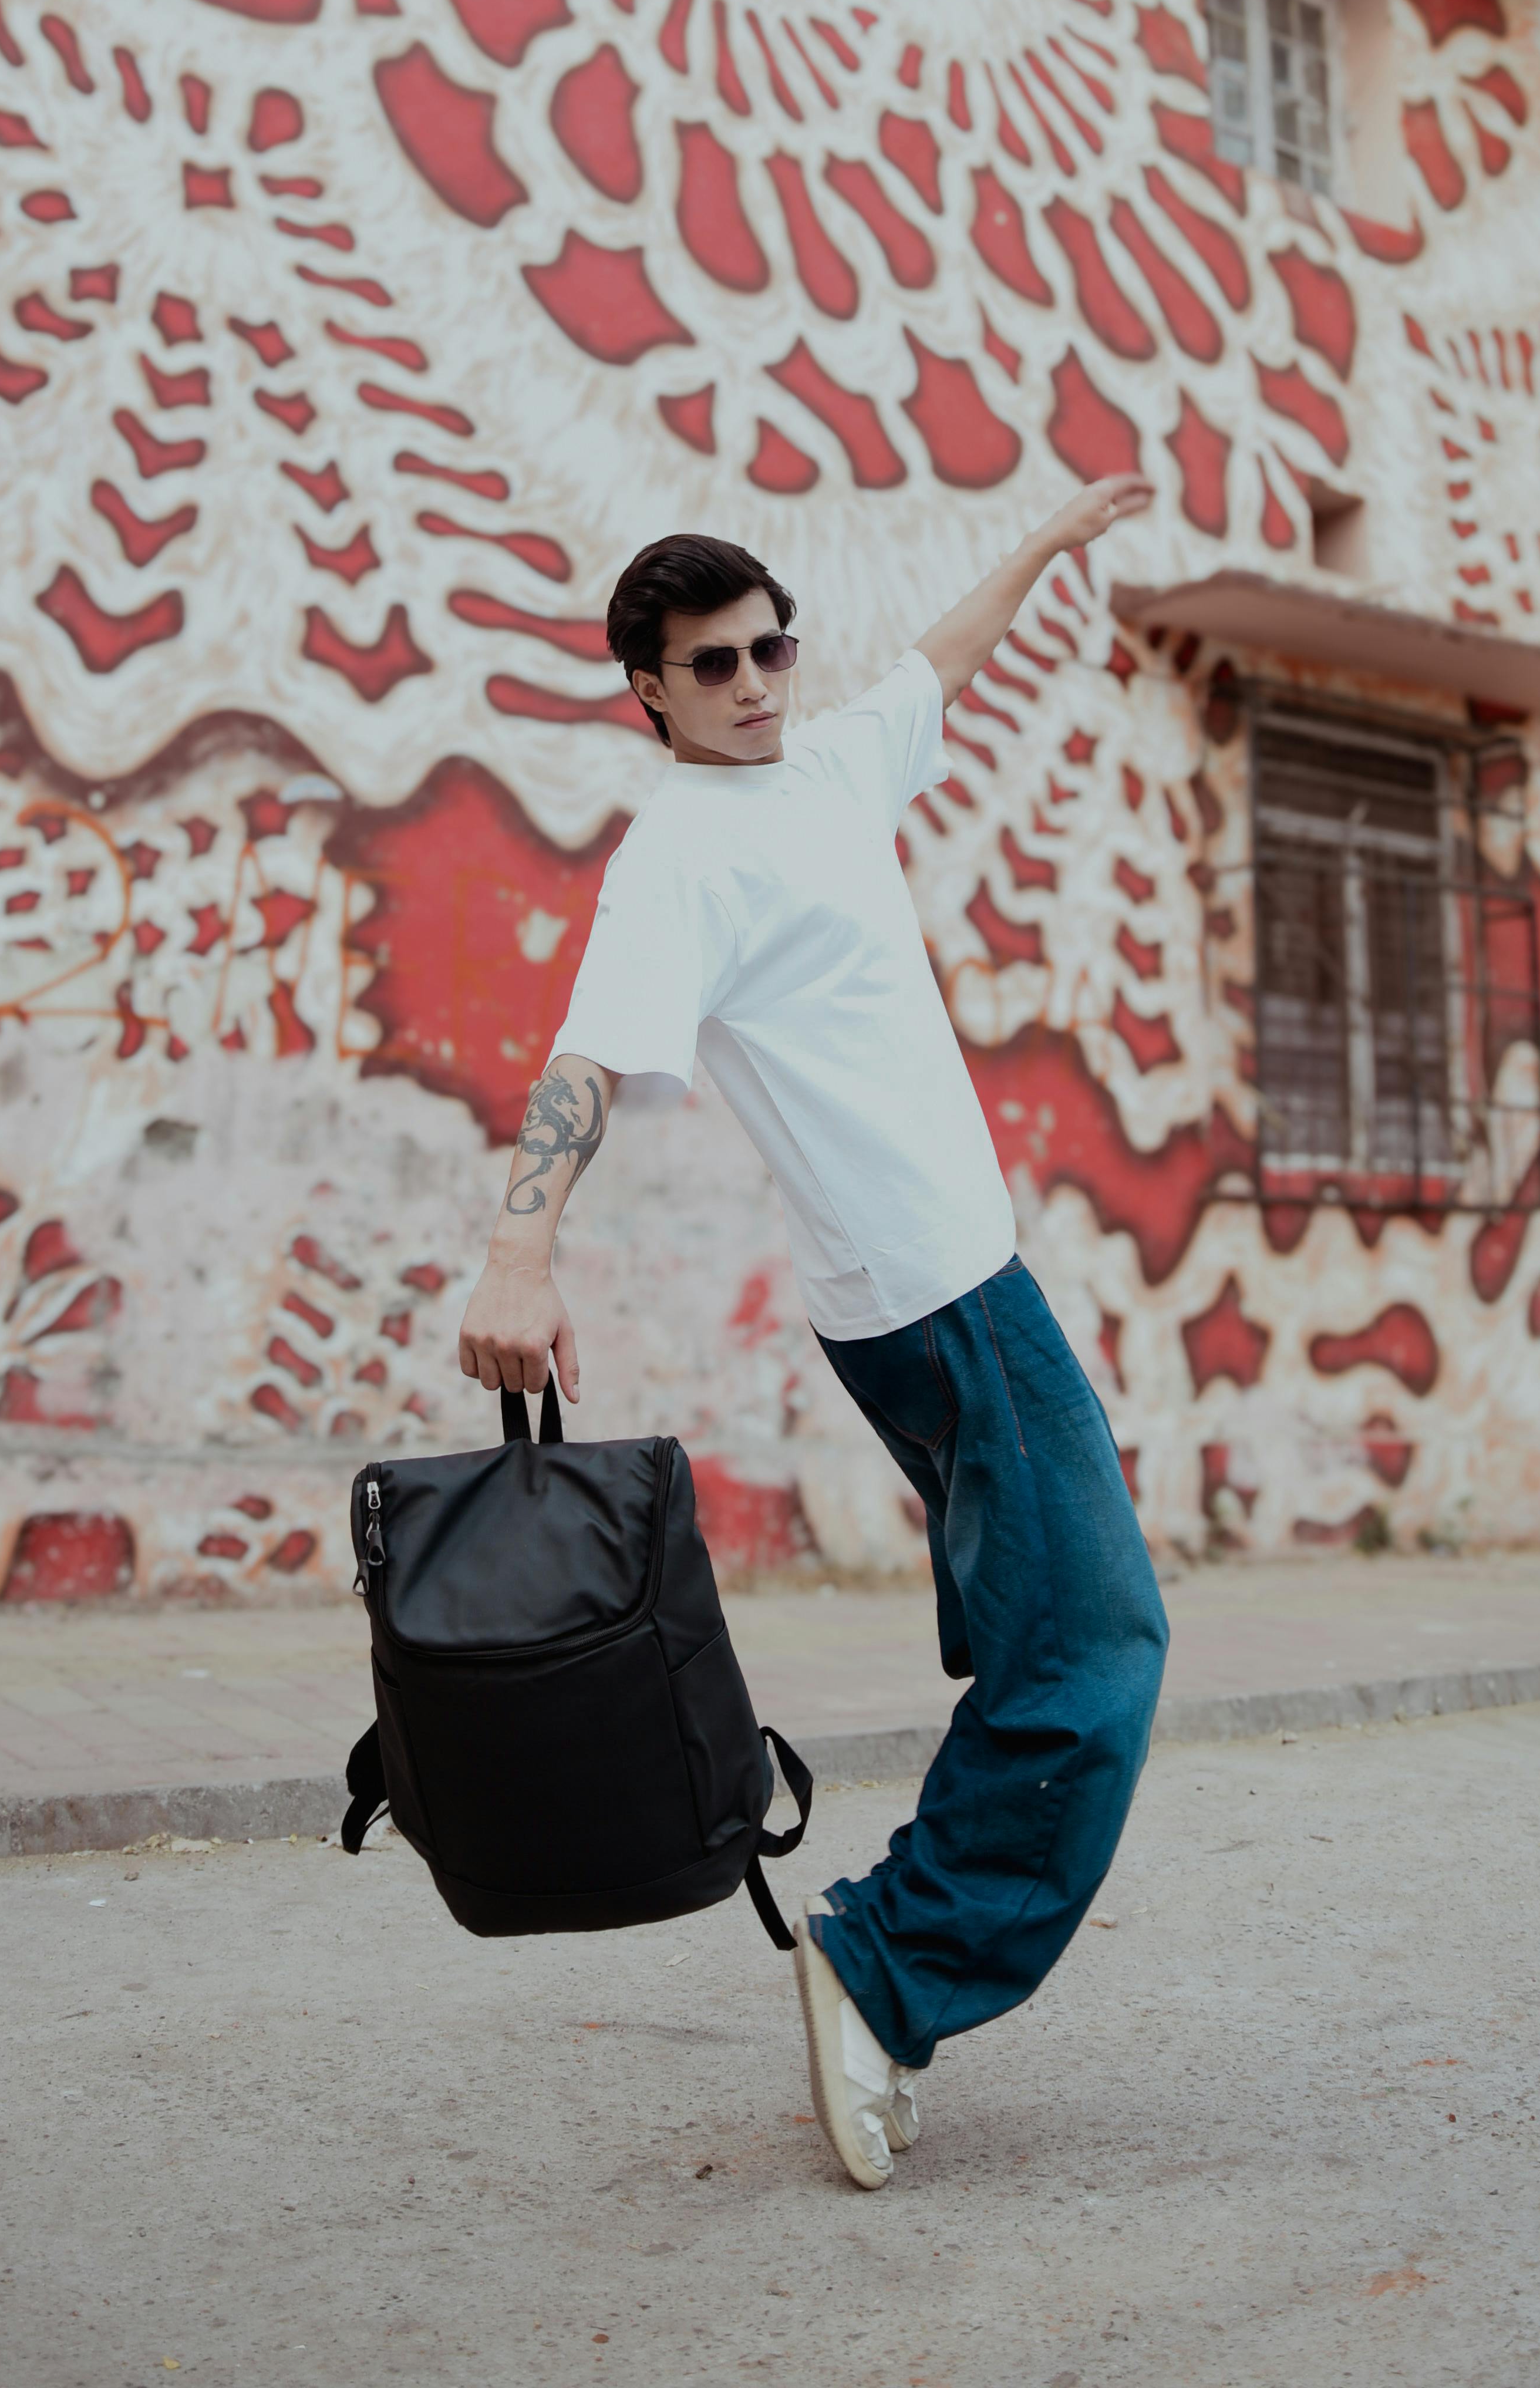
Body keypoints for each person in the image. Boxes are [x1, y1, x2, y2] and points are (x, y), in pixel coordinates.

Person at [456, 486, 1170, 2188]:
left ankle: (899, 1951)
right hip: (938, 1301)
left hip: (948, 1290)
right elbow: (583, 1061)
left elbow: (939, 658)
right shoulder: (677, 857)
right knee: (1095, 1651)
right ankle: (888, 1962)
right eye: (713, 668)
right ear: (650, 691)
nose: (755, 686)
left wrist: (1046, 548)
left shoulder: (833, 765)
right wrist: (515, 1256)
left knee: (1051, 1638)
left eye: (772, 649)